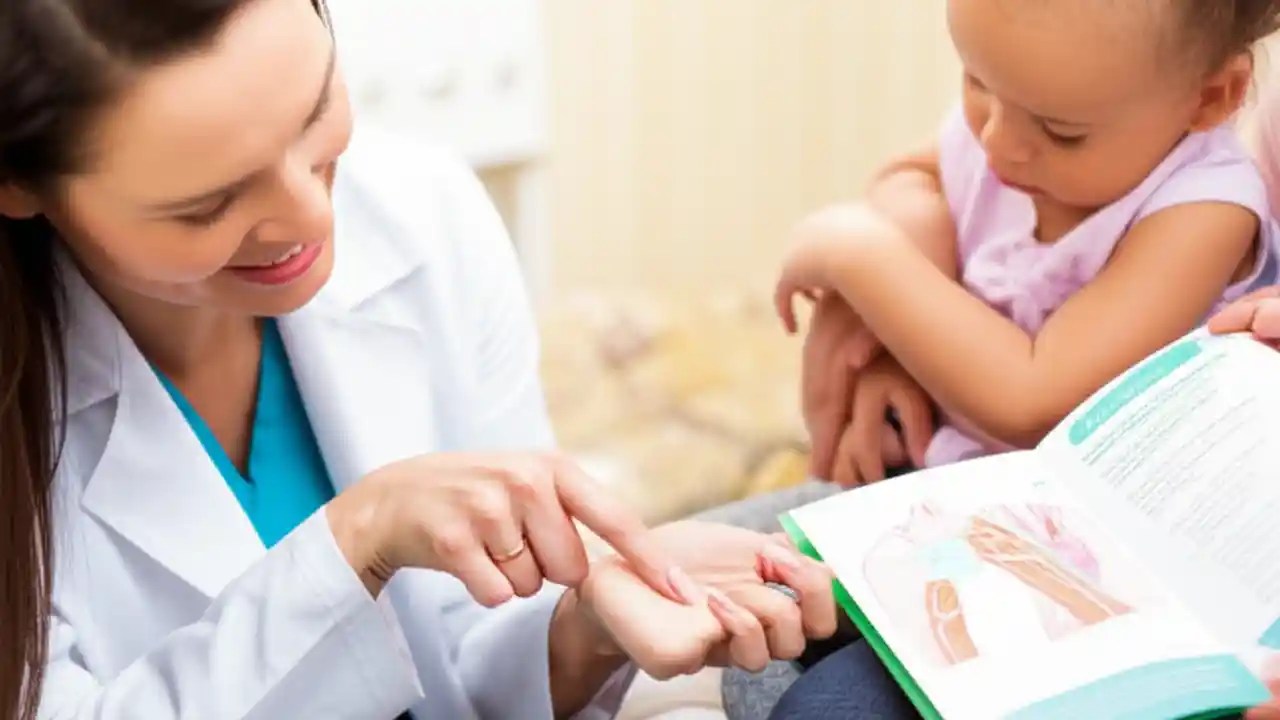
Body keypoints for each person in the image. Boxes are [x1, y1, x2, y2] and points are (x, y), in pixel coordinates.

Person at [0, 1, 840, 718]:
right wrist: (358, 537)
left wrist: (587, 620)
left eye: (315, 111)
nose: (307, 216)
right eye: (206, 205)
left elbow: (462, 664)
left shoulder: (423, 213)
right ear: (20, 185)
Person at [727, 0, 1280, 717]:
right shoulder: (1022, 110)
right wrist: (915, 240)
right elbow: (911, 176)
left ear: (1211, 98)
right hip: (930, 486)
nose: (997, 144)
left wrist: (857, 252)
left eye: (1061, 132)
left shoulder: (1207, 209)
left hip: (1069, 558)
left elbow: (1032, 398)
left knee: (800, 682)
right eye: (975, 82)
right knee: (709, 583)